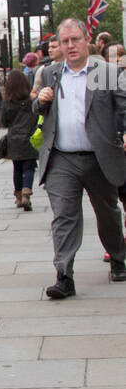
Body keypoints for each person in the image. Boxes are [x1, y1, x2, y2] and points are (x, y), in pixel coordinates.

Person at [34, 18, 126, 298]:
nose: (70, 46)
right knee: (64, 216)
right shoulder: (51, 73)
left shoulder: (104, 72)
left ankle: (119, 257)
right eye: (65, 41)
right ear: (59, 46)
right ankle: (64, 275)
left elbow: (123, 106)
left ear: (87, 40)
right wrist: (40, 101)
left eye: (75, 40)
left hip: (99, 157)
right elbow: (35, 109)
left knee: (107, 214)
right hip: (62, 158)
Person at [0, 69, 38, 210]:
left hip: (14, 139)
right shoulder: (31, 101)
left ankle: (18, 196)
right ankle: (26, 193)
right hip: (30, 138)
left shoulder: (8, 103)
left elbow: (4, 122)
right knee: (29, 167)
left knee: (17, 168)